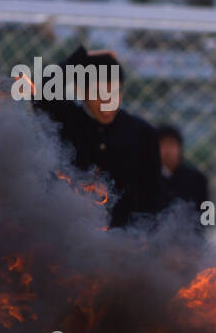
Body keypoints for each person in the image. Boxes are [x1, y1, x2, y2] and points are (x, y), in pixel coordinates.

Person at [30, 46, 163, 228]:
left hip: (124, 241)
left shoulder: (142, 134)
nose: (108, 103)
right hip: (66, 234)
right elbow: (44, 90)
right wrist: (82, 57)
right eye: (98, 94)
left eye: (114, 93)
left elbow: (152, 198)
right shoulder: (65, 120)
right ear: (80, 91)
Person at [157, 124, 210, 209]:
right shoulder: (148, 179)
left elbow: (205, 212)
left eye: (171, 144)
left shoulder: (196, 179)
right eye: (162, 144)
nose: (167, 150)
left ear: (179, 147)